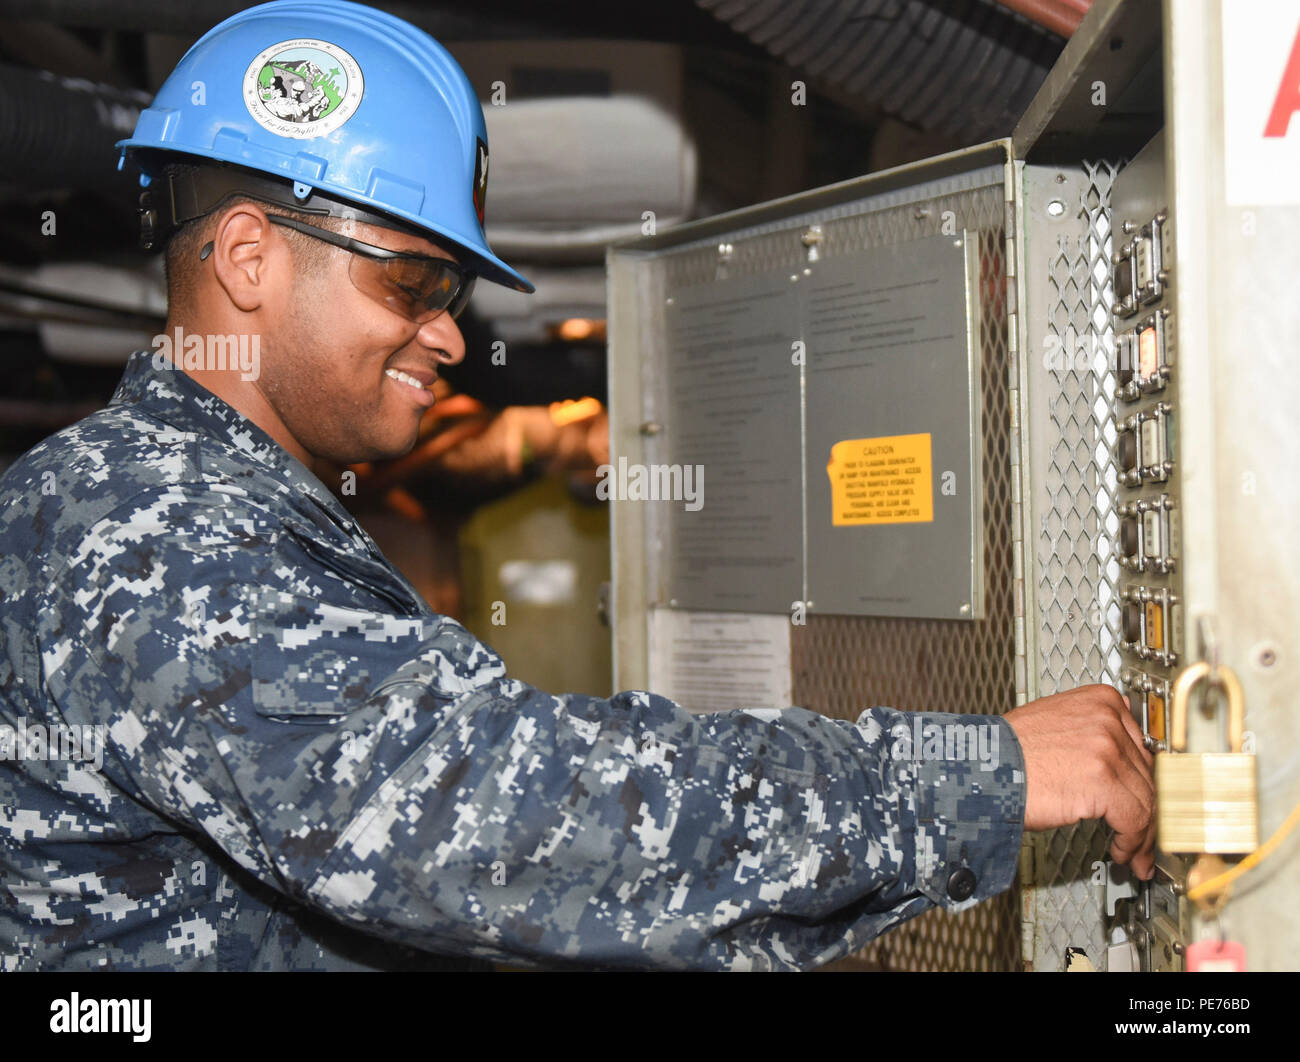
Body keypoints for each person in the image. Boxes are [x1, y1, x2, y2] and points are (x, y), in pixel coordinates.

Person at [0, 0, 1154, 972]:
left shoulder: (203, 505)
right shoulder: (141, 524)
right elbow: (497, 812)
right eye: (413, 281)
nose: (448, 338)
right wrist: (970, 777)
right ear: (248, 259)